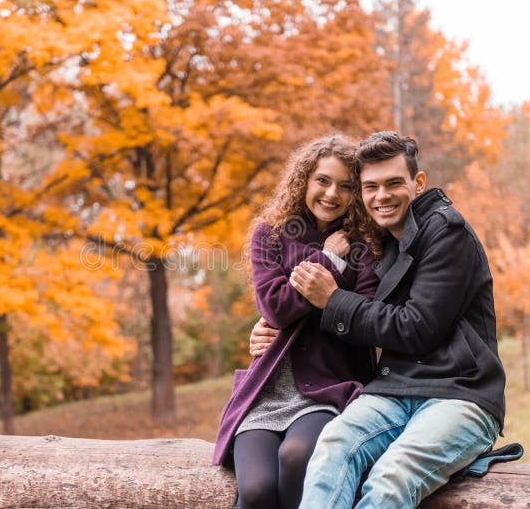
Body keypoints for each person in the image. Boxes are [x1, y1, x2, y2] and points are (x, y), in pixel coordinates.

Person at [251, 131, 506, 508]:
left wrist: (333, 300)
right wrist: (267, 328)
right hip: (394, 391)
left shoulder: (446, 233)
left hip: (460, 394)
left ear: (418, 183)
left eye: (393, 184)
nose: (381, 196)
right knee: (332, 448)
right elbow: (303, 305)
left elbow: (416, 328)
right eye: (370, 187)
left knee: (389, 479)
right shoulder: (380, 241)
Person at [212, 134, 382, 509]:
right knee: (255, 490)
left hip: (326, 390)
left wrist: (323, 298)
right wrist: (327, 261)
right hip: (266, 393)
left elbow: (363, 316)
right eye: (322, 180)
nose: (331, 193)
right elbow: (275, 308)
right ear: (304, 179)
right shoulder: (268, 235)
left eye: (346, 186)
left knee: (296, 456)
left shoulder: (364, 247)